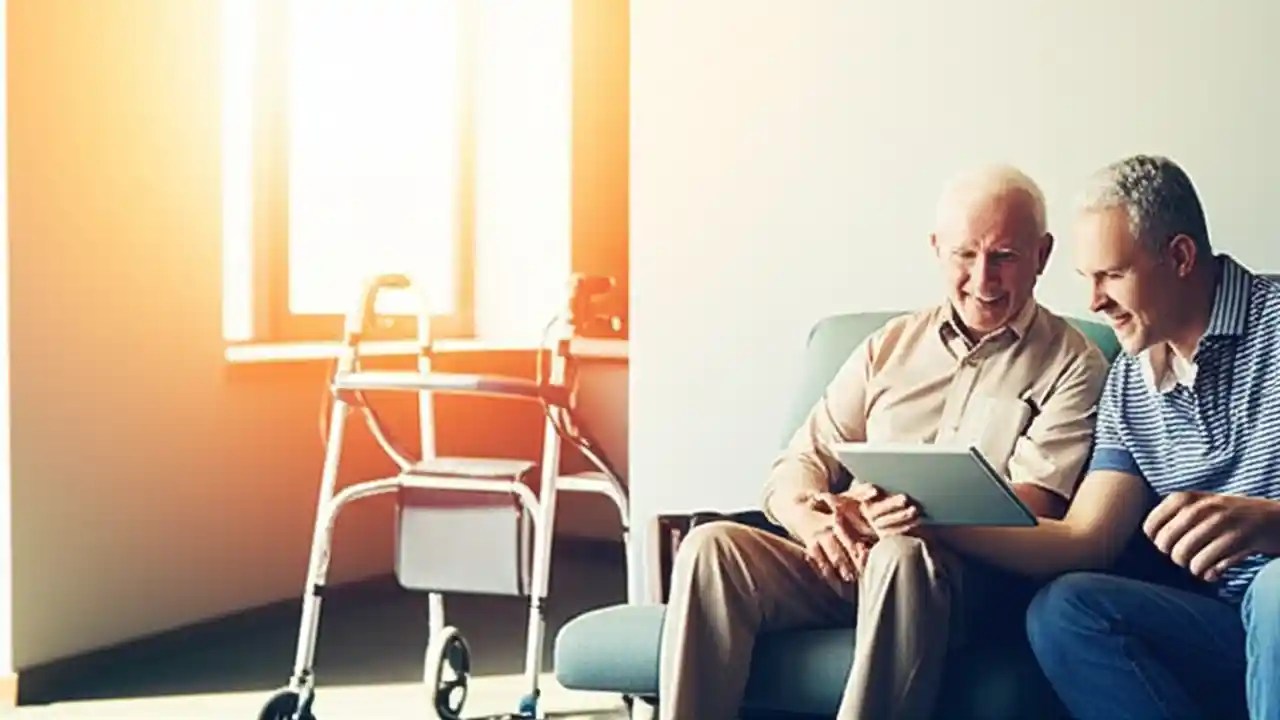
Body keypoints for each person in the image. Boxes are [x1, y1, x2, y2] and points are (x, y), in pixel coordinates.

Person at [656, 165, 1110, 720]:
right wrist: (812, 521)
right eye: (965, 255)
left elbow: (1033, 504)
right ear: (937, 249)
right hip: (848, 558)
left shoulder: (1074, 363)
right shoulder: (888, 346)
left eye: (1004, 257)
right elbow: (798, 462)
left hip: (957, 582)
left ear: (1041, 255)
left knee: (902, 553)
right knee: (712, 546)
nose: (982, 278)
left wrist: (908, 520)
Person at [933, 155, 1280, 719]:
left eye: (1112, 275)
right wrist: (932, 517)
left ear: (1181, 257)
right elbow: (1083, 540)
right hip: (1228, 625)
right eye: (1086, 279)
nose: (1093, 301)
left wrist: (1272, 523)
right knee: (1066, 609)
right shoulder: (1129, 382)